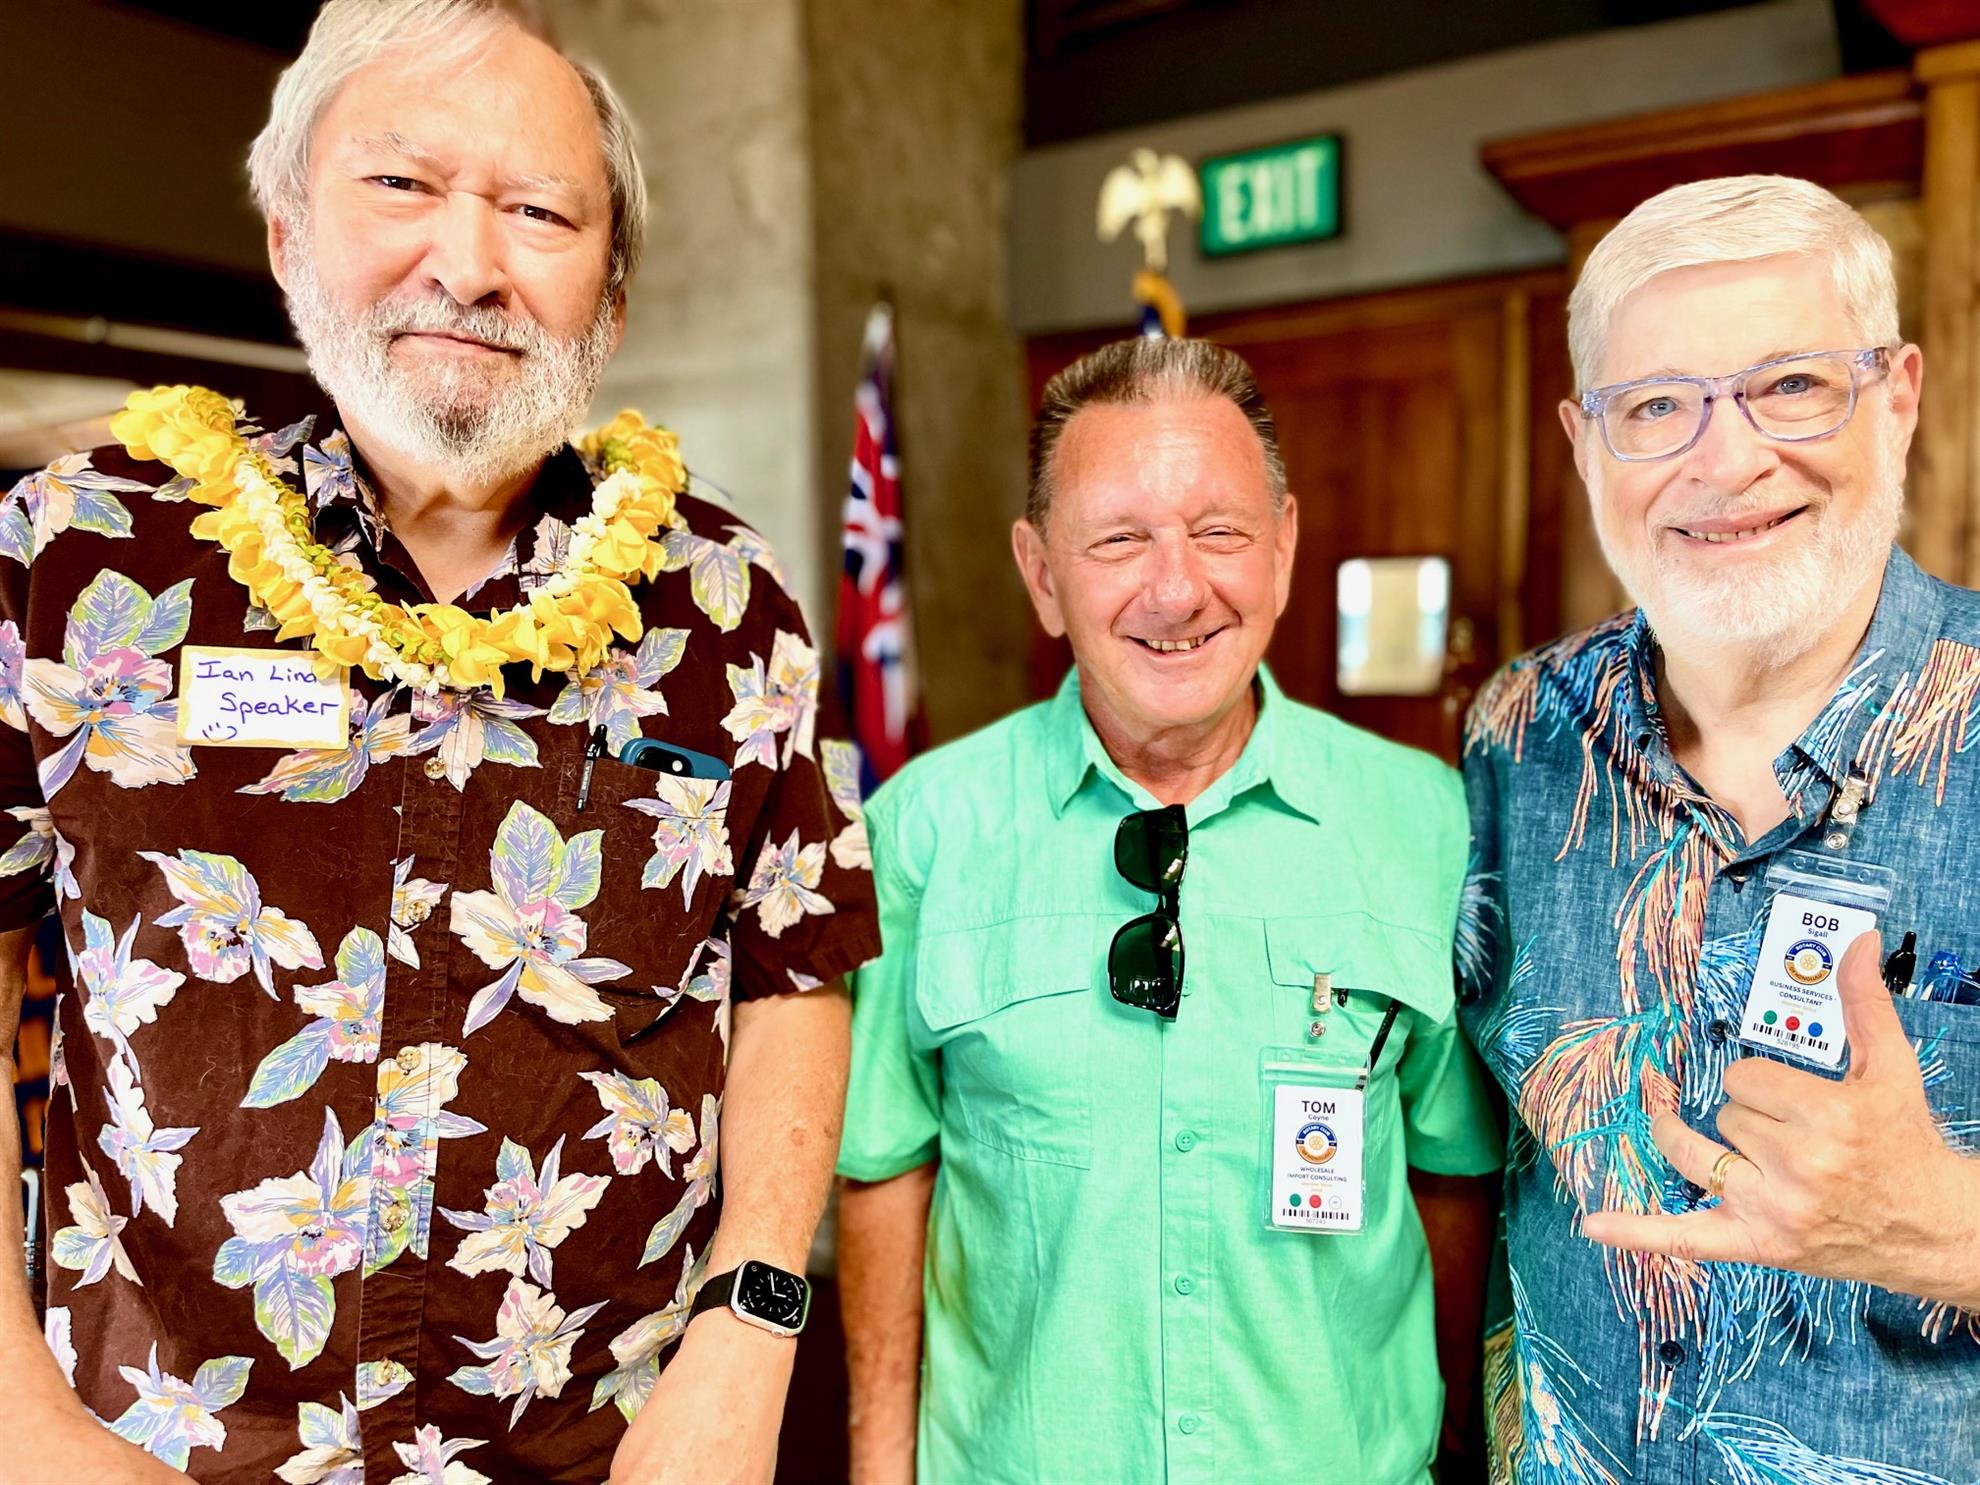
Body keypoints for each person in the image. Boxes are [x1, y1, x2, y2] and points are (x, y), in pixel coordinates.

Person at [0, 3, 878, 1481]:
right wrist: (14, 1409)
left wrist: (754, 1326)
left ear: (607, 298)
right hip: (147, 1444)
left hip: (608, 1452)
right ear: (288, 231)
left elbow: (795, 959)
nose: (469, 264)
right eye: (403, 185)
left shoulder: (729, 603)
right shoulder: (77, 561)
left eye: (540, 211)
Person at [836, 336, 1503, 1484]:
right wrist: (877, 1467)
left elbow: (1451, 1175)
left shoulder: (1427, 822)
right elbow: (885, 1166)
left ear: (1284, 548)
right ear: (1042, 575)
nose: (1178, 588)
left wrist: (1449, 1441)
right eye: (1118, 540)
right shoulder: (921, 831)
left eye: (1221, 530)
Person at [1459, 173, 1980, 1482]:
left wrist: (1945, 1227)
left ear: (1900, 394)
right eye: (1656, 406)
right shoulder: (1518, 737)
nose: (1726, 459)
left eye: (1792, 384)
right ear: (1585, 444)